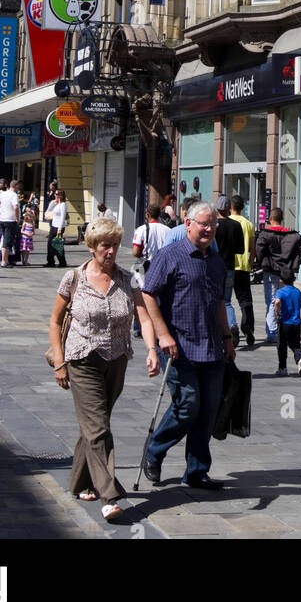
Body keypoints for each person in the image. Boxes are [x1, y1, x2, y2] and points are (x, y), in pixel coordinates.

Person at [49, 218, 160, 522]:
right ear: (92, 247)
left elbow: (145, 318)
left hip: (117, 359)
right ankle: (109, 495)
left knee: (96, 423)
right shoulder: (74, 279)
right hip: (81, 359)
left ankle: (79, 480)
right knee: (98, 427)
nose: (110, 251)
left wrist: (152, 350)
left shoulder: (128, 279)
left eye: (114, 245)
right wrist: (59, 362)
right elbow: (56, 322)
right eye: (104, 246)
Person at [140, 202, 236, 491]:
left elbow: (220, 302)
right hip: (178, 347)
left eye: (213, 225)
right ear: (188, 224)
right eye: (203, 224)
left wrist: (228, 337)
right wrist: (162, 335)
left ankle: (196, 470)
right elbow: (147, 295)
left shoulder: (216, 261)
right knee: (187, 406)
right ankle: (154, 451)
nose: (208, 230)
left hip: (212, 348)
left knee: (207, 412)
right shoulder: (171, 255)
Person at [255, 207, 301, 343]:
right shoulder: (293, 235)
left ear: (270, 219)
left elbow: (259, 249)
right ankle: (286, 331)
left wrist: (264, 262)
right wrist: (296, 261)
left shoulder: (265, 234)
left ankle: (272, 332)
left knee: (272, 301)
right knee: (286, 300)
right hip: (287, 272)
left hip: (271, 271)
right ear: (282, 218)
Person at [131, 205, 171, 337]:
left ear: (147, 215)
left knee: (140, 294)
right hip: (163, 266)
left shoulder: (141, 229)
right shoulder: (167, 230)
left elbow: (136, 252)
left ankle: (139, 327)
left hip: (145, 266)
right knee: (160, 296)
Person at [215, 195, 245, 345]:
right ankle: (232, 324)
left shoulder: (213, 225)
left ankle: (219, 331)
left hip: (214, 267)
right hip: (230, 266)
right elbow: (240, 249)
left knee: (215, 300)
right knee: (226, 301)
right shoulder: (235, 225)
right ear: (229, 209)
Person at [230, 195, 256, 348]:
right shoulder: (248, 224)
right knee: (245, 300)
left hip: (228, 266)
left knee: (225, 300)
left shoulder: (226, 222)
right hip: (243, 267)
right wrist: (250, 263)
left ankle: (231, 325)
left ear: (231, 207)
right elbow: (253, 249)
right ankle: (247, 328)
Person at [274, 267, 301, 377]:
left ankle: (282, 368)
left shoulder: (280, 292)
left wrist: (277, 313)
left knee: (282, 345)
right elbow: (300, 305)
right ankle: (300, 359)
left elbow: (277, 302)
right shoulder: (298, 292)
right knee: (296, 344)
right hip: (296, 323)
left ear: (281, 280)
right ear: (294, 279)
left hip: (284, 323)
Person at [0, 179, 21, 269]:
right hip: (10, 220)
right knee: (7, 241)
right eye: (18, 186)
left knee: (5, 240)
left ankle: (5, 260)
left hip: (3, 219)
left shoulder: (4, 194)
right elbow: (16, 207)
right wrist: (17, 218)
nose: (19, 188)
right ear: (15, 186)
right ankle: (4, 261)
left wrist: (2, 207)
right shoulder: (14, 195)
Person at [44, 188, 69, 268]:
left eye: (57, 194)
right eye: (55, 194)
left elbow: (62, 217)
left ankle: (62, 262)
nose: (55, 195)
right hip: (53, 226)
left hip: (58, 227)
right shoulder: (57, 204)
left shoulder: (63, 205)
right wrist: (54, 203)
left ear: (61, 196)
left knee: (58, 245)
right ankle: (50, 261)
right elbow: (50, 212)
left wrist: (59, 229)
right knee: (50, 244)